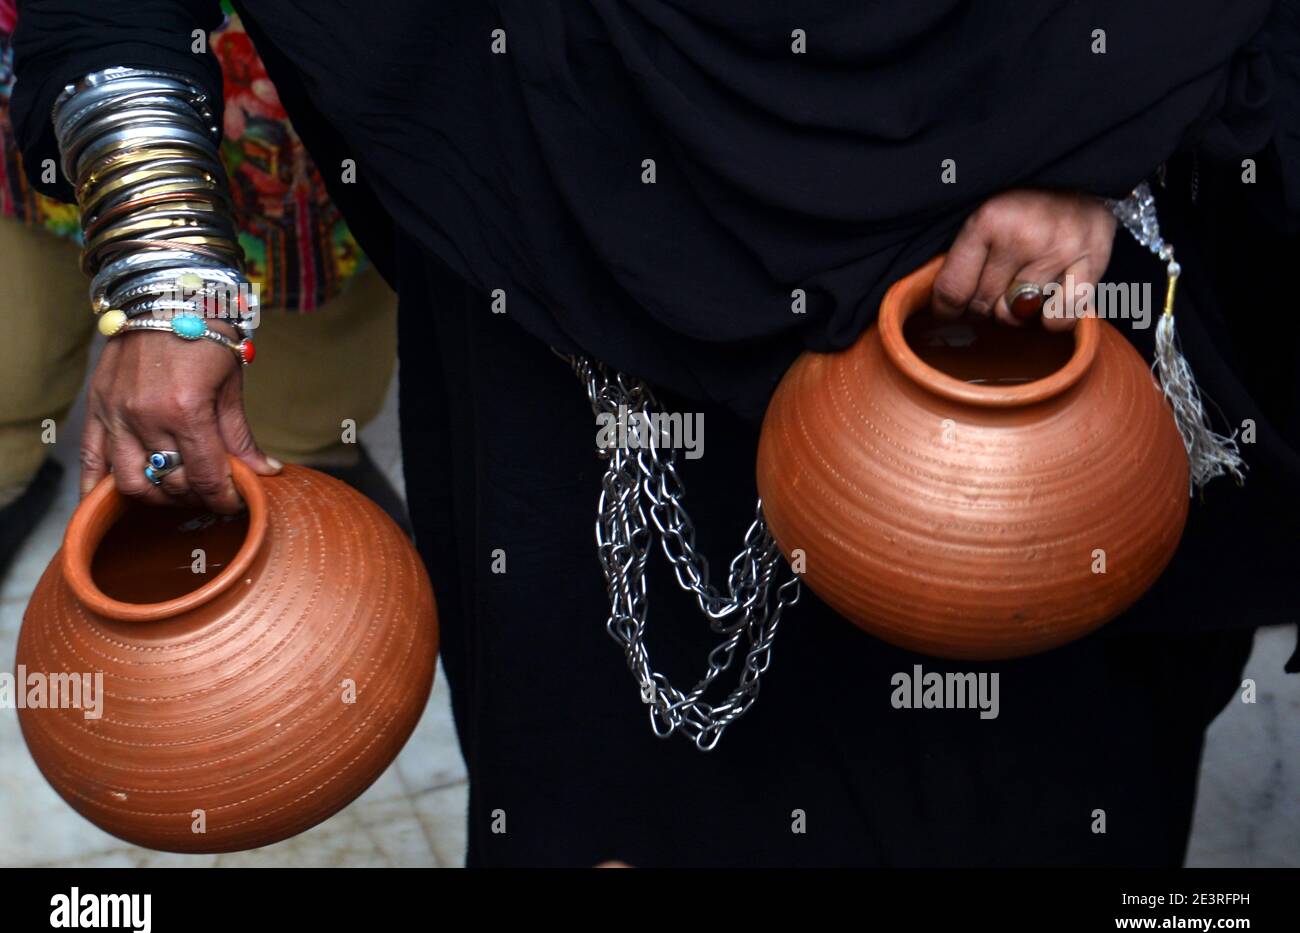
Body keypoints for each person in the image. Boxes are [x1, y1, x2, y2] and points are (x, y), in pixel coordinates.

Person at [8, 0, 1298, 866]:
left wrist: (1102, 117)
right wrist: (165, 264)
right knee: (616, 797)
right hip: (559, 233)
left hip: (1036, 282)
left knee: (1022, 801)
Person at [0, 0, 406, 579]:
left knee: (301, 225)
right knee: (26, 268)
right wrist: (171, 292)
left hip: (303, 43)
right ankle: (9, 453)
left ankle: (302, 455)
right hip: (73, 31)